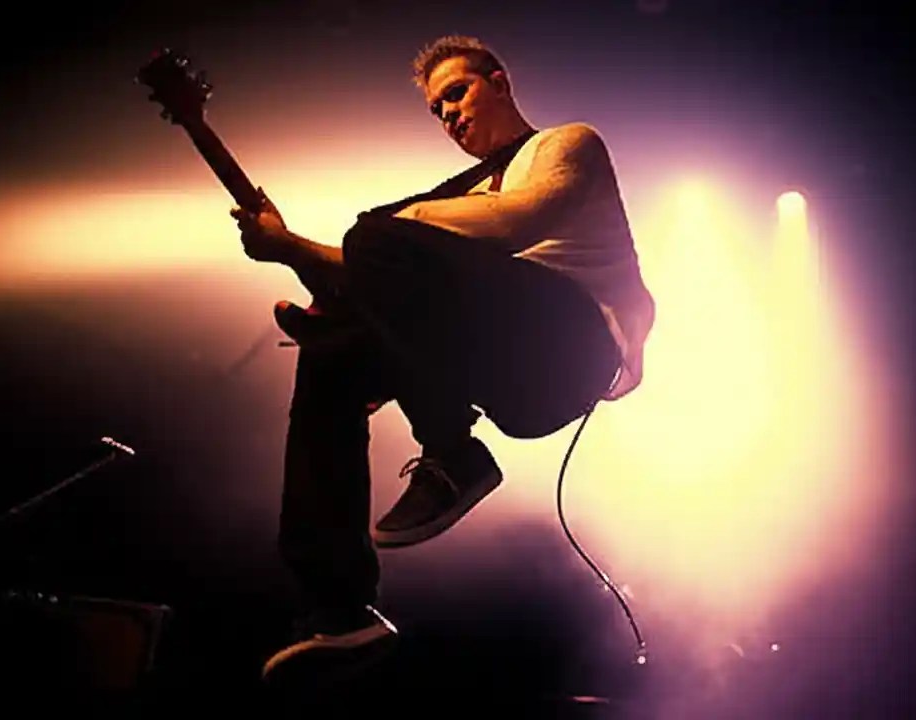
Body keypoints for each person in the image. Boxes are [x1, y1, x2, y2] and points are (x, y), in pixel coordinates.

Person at [230, 35, 655, 682]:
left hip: (572, 347)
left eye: (457, 93)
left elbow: (519, 220)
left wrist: (356, 248)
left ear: (499, 81)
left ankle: (451, 449)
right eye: (437, 109)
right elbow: (383, 260)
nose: (449, 114)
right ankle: (338, 610)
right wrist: (290, 249)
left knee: (377, 234)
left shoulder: (565, 145)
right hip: (506, 364)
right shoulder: (464, 190)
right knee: (331, 366)